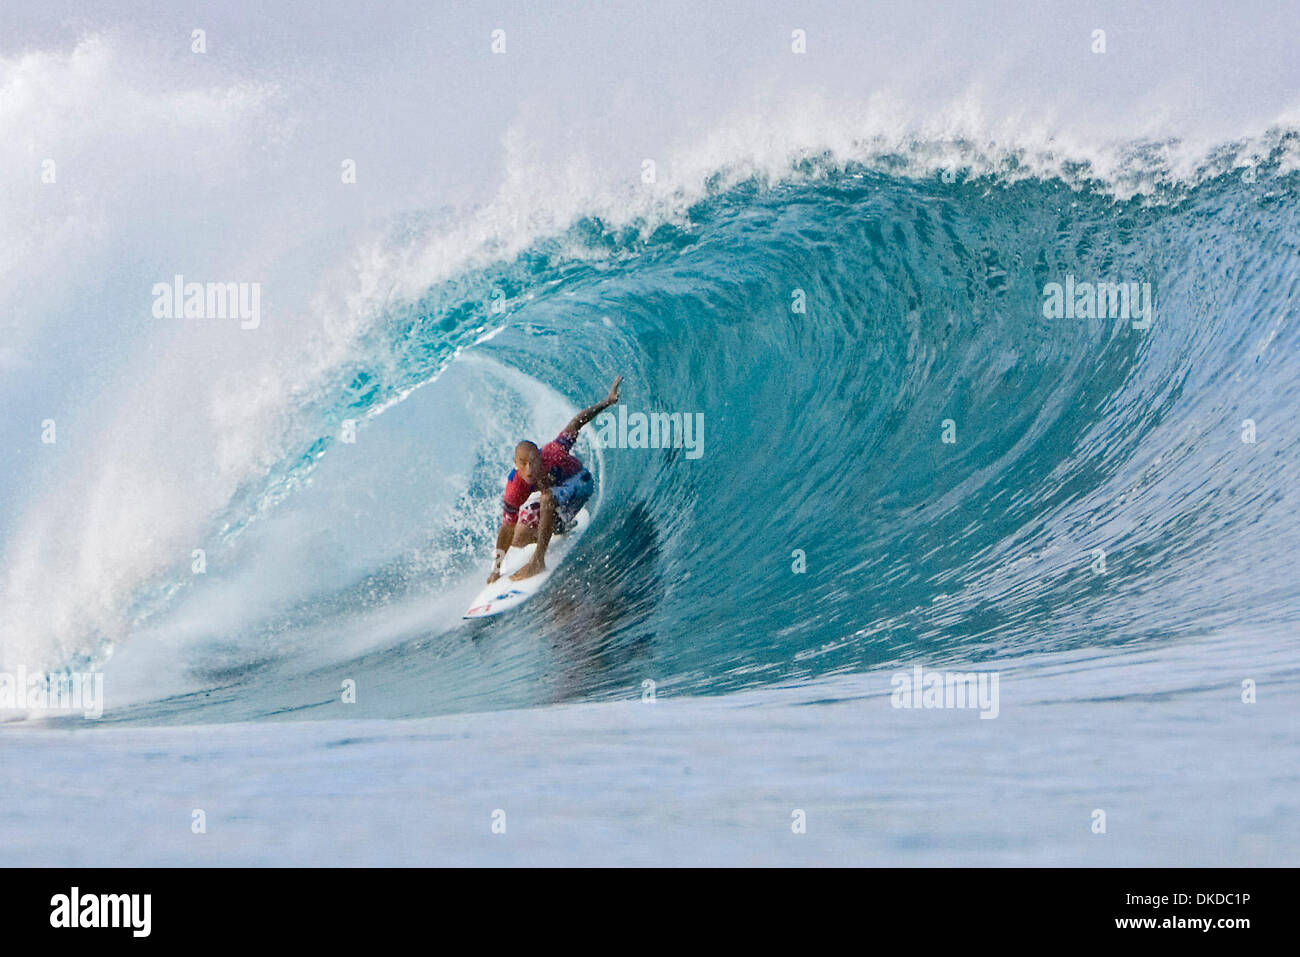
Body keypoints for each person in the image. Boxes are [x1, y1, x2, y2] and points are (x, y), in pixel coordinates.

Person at [487, 376, 621, 583]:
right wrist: (496, 569)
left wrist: (607, 401)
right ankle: (560, 526)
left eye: (533, 461)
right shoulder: (514, 487)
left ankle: (538, 561)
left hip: (581, 483)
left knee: (546, 498)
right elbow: (506, 529)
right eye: (523, 463)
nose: (529, 468)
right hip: (559, 498)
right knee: (518, 537)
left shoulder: (553, 452)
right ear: (516, 463)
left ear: (540, 457)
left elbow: (576, 423)